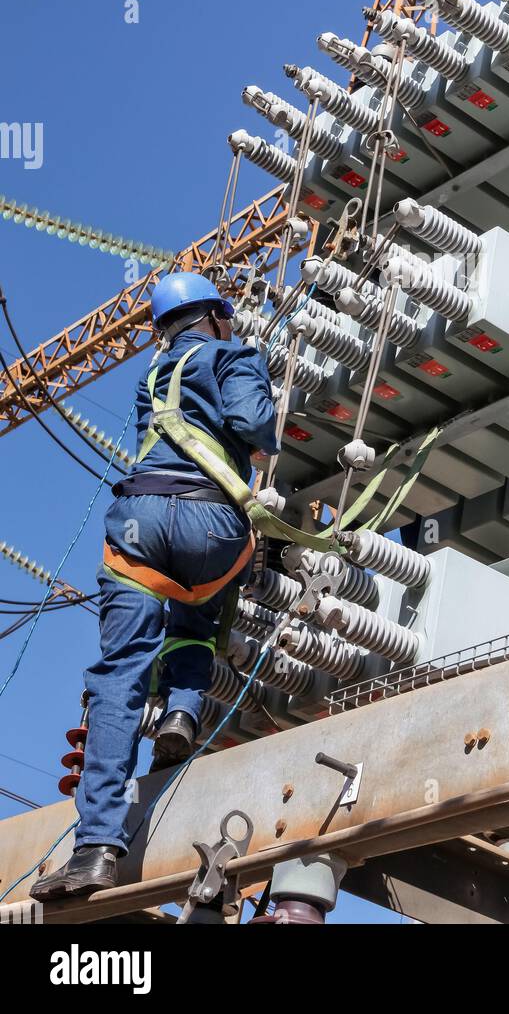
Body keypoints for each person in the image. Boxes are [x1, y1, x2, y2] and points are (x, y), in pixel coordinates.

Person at [32, 272, 278, 899]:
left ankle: (95, 851)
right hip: (211, 523)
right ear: (216, 318)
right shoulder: (233, 354)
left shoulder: (149, 378)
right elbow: (256, 427)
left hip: (138, 523)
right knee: (195, 617)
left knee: (118, 676)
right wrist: (258, 382)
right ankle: (183, 714)